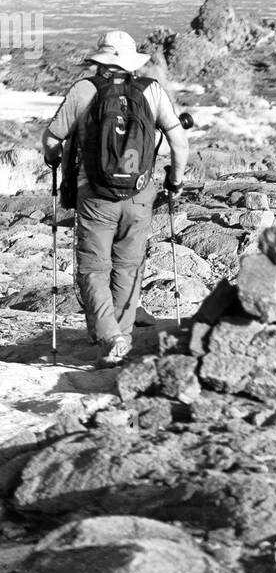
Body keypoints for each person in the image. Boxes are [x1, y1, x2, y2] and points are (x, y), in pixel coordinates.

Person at [42, 31, 189, 366]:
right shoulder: (151, 90)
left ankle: (111, 338)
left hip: (94, 197)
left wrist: (54, 160)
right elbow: (180, 145)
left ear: (101, 61)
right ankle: (119, 341)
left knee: (94, 268)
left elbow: (52, 138)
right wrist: (175, 182)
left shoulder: (84, 89)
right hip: (140, 195)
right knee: (128, 267)